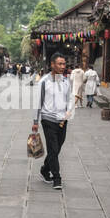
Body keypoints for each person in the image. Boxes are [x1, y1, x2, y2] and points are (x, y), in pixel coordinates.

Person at [34, 52, 75, 191]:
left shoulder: (65, 81)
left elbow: (70, 98)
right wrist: (35, 120)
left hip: (62, 120)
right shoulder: (44, 81)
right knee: (53, 148)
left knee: (56, 149)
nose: (63, 66)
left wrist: (69, 111)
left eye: (64, 64)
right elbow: (38, 102)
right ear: (52, 64)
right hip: (48, 119)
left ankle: (45, 169)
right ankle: (57, 178)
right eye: (60, 64)